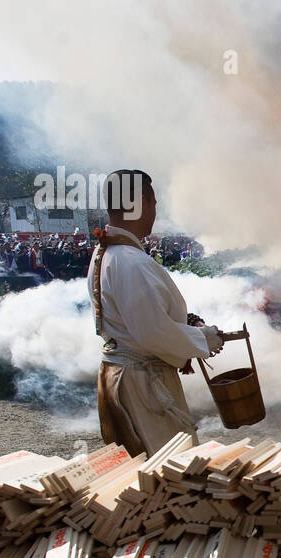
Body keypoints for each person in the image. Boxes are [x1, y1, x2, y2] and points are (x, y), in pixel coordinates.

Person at [88, 169, 224, 457]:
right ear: (140, 203)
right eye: (154, 203)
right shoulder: (129, 261)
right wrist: (205, 339)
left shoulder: (106, 253)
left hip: (124, 373)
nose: (155, 212)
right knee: (169, 470)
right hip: (142, 383)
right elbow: (152, 332)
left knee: (140, 464)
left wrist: (188, 325)